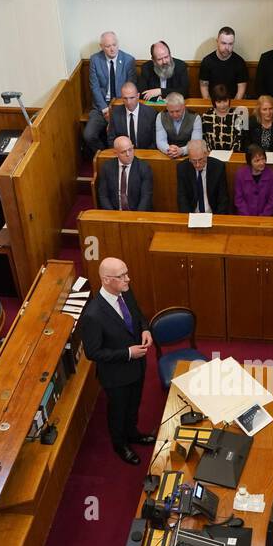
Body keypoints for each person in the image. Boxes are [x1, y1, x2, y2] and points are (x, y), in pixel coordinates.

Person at [77, 257, 153, 466]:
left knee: (134, 404)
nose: (128, 279)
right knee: (119, 411)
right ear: (107, 280)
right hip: (116, 376)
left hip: (138, 366)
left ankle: (133, 433)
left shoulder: (125, 292)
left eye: (126, 273)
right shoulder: (93, 315)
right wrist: (127, 353)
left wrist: (145, 328)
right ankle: (121, 445)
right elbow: (93, 353)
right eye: (122, 276)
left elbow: (137, 315)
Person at [84, 32, 137, 157]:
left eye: (114, 44)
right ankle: (104, 156)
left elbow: (131, 87)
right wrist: (104, 109)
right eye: (108, 46)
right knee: (88, 135)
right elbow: (94, 87)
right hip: (101, 105)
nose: (112, 48)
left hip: (122, 105)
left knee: (123, 135)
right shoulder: (95, 60)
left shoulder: (128, 60)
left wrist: (117, 108)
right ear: (101, 46)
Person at [96, 135, 153, 212]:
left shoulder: (144, 168)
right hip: (114, 213)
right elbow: (103, 195)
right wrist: (112, 215)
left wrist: (137, 217)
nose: (128, 154)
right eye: (123, 152)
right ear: (116, 153)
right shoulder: (107, 167)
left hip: (136, 214)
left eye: (130, 150)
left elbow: (146, 197)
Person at [176, 139, 229, 214]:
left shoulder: (218, 167)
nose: (197, 165)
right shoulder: (182, 168)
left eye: (200, 160)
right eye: (193, 161)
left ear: (206, 154)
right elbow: (182, 198)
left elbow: (223, 198)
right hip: (192, 214)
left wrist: (217, 219)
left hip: (213, 213)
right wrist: (188, 217)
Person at [199, 27, 248, 100]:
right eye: (223, 43)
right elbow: (204, 87)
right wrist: (210, 107)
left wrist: (233, 108)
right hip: (213, 103)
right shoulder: (207, 61)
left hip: (232, 103)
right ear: (217, 41)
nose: (227, 48)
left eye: (230, 44)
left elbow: (241, 90)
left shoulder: (239, 62)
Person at [105, 83, 157, 151]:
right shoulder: (115, 113)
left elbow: (154, 140)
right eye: (125, 98)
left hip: (145, 154)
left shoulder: (151, 113)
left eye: (132, 98)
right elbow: (111, 139)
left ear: (138, 96)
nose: (128, 102)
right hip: (123, 154)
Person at [154, 92, 202, 160]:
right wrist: (169, 150)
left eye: (178, 111)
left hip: (189, 156)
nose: (175, 115)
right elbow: (161, 141)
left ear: (184, 106)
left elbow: (196, 142)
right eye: (171, 112)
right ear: (167, 107)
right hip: (168, 155)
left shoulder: (195, 117)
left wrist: (182, 151)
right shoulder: (161, 116)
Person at [234, 144, 273, 216]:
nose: (262, 163)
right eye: (257, 160)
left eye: (263, 159)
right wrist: (248, 217)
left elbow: (272, 201)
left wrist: (263, 217)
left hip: (266, 218)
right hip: (245, 217)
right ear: (249, 162)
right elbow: (239, 200)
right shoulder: (240, 174)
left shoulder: (272, 175)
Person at [201, 84, 244, 154]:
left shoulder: (237, 116)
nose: (222, 105)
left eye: (225, 101)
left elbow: (238, 140)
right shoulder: (206, 116)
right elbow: (204, 139)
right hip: (211, 155)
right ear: (214, 102)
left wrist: (232, 153)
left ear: (229, 100)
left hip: (232, 155)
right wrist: (209, 152)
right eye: (219, 102)